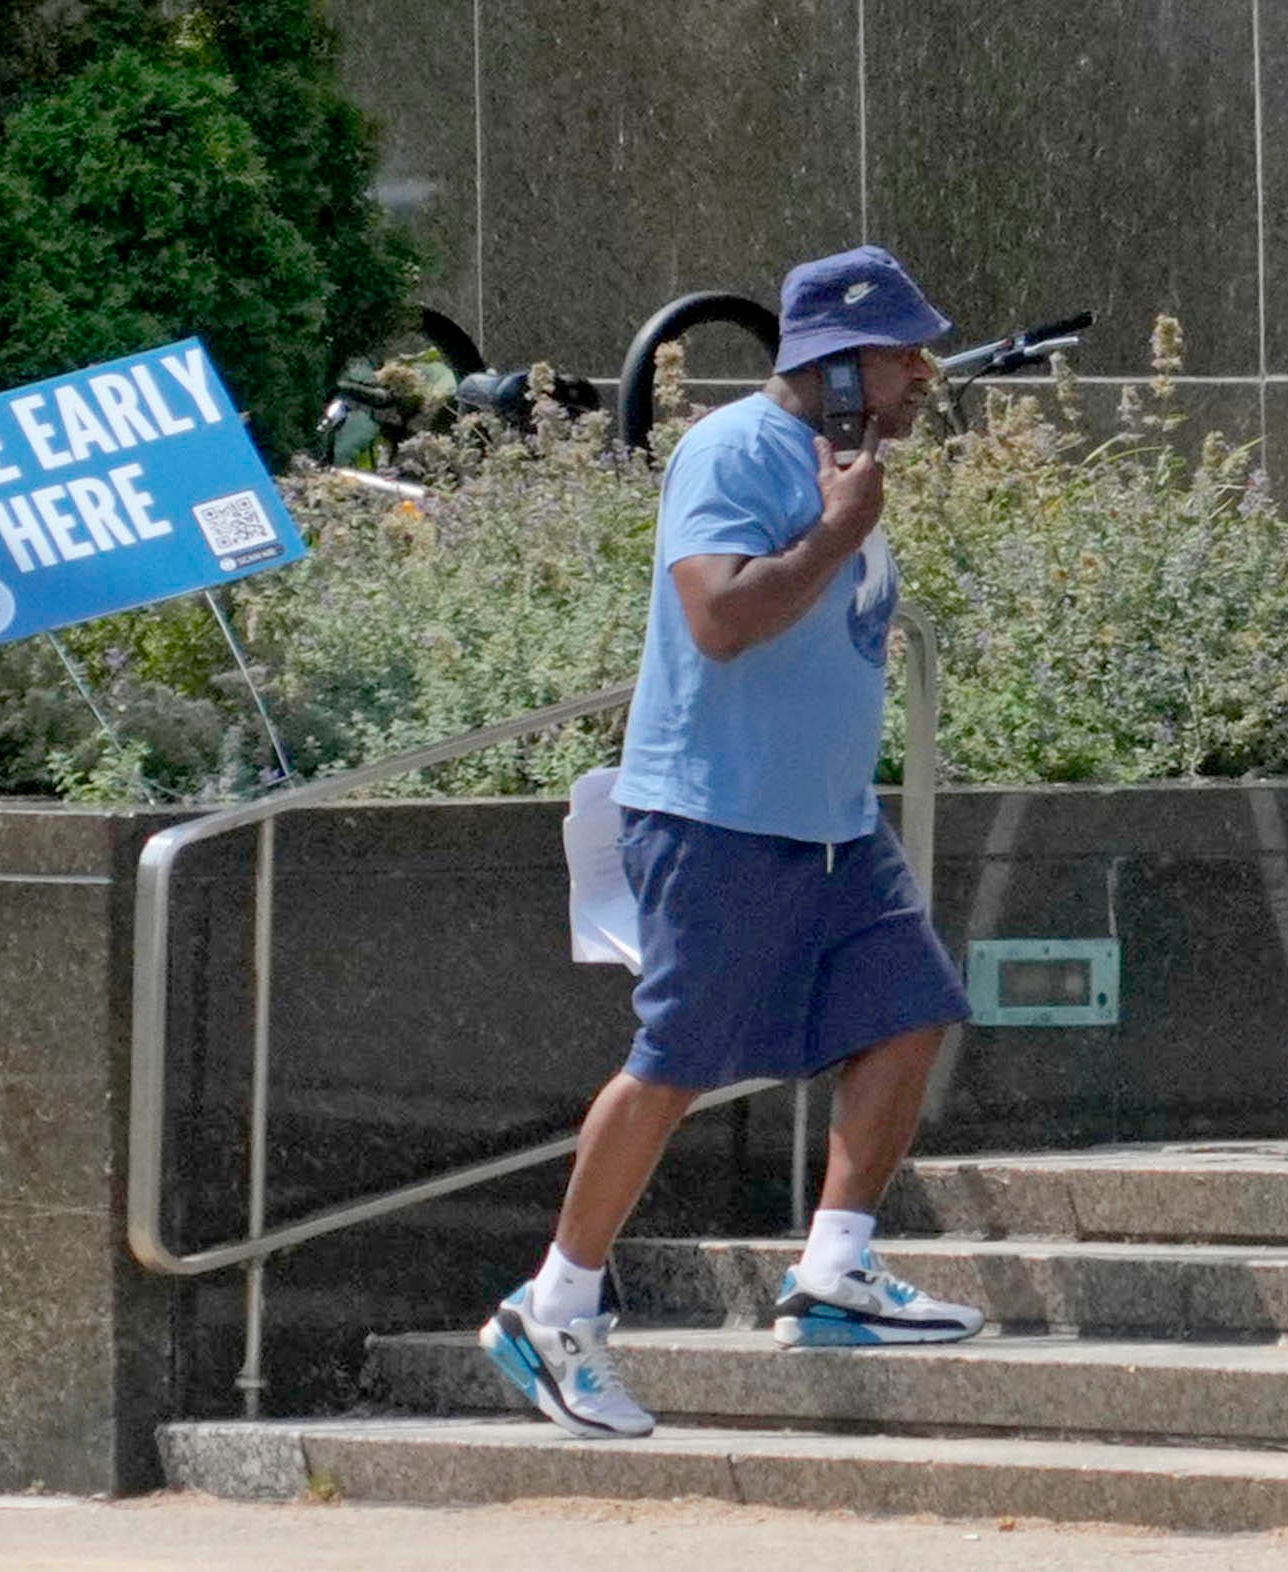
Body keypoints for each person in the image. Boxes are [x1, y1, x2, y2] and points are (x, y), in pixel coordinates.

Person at [478, 245, 984, 1440]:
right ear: (835, 362)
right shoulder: (734, 452)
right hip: (714, 817)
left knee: (910, 1009)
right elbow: (718, 620)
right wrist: (839, 528)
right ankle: (552, 1310)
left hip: (827, 825)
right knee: (677, 1066)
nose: (924, 372)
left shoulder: (841, 454)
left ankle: (833, 1274)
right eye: (902, 351)